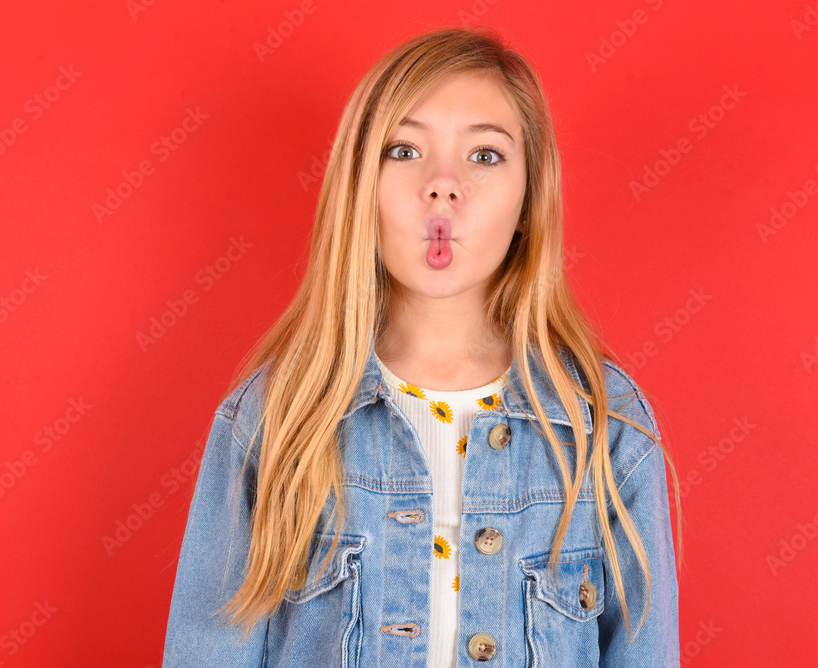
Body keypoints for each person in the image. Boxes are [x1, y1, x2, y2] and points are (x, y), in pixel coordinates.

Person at [162, 25, 683, 667]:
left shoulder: (604, 426)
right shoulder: (275, 419)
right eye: (404, 151)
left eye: (485, 155)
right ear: (362, 187)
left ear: (529, 198)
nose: (442, 185)